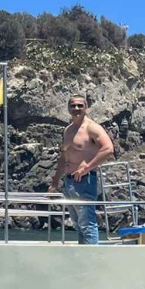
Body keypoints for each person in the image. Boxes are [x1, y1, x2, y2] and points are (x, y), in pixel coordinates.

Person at [49, 94, 114, 244]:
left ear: (86, 108)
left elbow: (108, 148)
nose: (76, 108)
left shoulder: (92, 128)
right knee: (77, 223)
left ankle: (92, 256)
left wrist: (86, 167)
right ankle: (82, 252)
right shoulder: (68, 130)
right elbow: (64, 157)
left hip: (85, 180)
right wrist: (55, 181)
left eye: (80, 105)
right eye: (73, 105)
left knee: (87, 222)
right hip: (69, 181)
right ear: (68, 108)